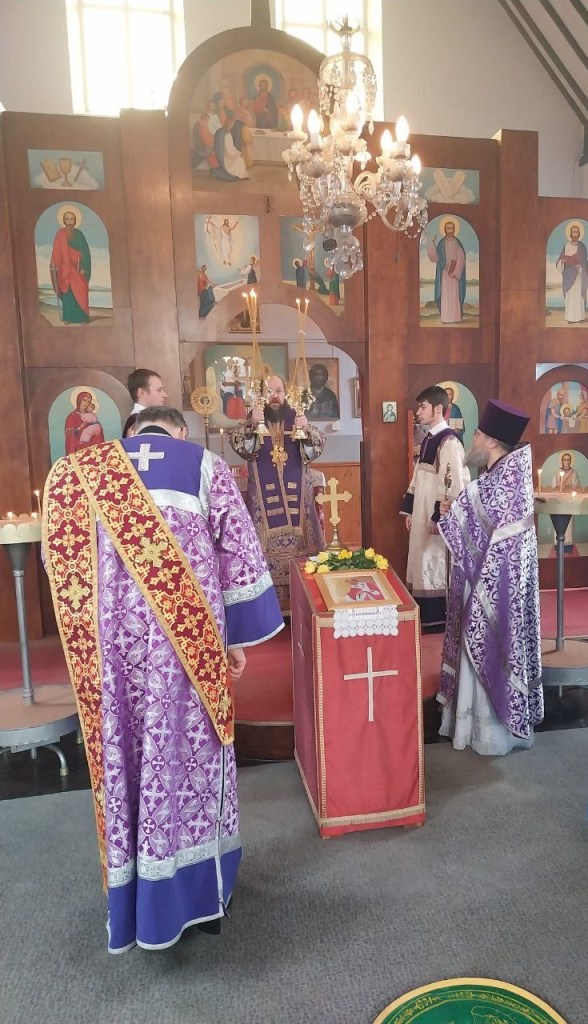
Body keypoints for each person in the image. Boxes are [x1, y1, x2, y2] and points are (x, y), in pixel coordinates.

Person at [42, 405, 284, 952]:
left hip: (117, 660)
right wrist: (234, 641)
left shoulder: (88, 472)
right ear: (178, 430)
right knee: (189, 764)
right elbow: (239, 558)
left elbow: (59, 560)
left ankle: (133, 900)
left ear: (130, 434)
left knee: (128, 764)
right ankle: (196, 899)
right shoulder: (203, 466)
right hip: (187, 660)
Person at [437, 400, 542, 755]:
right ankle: (473, 725)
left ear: (493, 441)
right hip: (485, 579)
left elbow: (479, 521)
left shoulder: (506, 479)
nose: (474, 439)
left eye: (479, 434)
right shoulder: (503, 475)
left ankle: (490, 733)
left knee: (489, 646)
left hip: (494, 587)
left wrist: (454, 511)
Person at [229, 375, 326, 611]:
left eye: (279, 391)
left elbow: (315, 450)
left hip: (298, 504)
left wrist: (307, 428)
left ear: (286, 394)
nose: (274, 396)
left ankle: (306, 603)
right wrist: (251, 424)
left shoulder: (297, 418)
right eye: (269, 391)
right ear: (261, 395)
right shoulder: (254, 419)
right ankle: (270, 608)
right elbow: (242, 448)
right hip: (263, 501)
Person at [400, 385, 469, 631]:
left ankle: (438, 619)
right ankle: (425, 617)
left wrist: (439, 518)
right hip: (421, 512)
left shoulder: (448, 441)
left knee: (434, 563)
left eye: (423, 406)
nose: (418, 411)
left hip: (433, 517)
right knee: (421, 561)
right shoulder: (429, 438)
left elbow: (452, 484)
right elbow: (418, 476)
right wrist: (409, 510)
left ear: (438, 409)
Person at [50, 207, 91, 325]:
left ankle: (82, 318)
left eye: (72, 219)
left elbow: (85, 252)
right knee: (68, 293)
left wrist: (84, 267)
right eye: (67, 219)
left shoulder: (79, 234)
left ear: (75, 221)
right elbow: (56, 251)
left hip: (78, 269)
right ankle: (67, 317)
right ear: (64, 220)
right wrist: (54, 262)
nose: (69, 221)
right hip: (65, 269)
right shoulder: (60, 234)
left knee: (81, 291)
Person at [427, 219, 466, 323]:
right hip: (444, 274)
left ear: (454, 229)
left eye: (451, 228)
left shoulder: (458, 243)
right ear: (445, 229)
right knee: (445, 297)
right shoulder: (441, 243)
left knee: (454, 296)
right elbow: (435, 257)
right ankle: (445, 318)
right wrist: (432, 243)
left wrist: (456, 271)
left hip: (454, 275)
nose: (450, 230)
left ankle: (456, 318)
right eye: (448, 228)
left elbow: (461, 258)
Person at [556, 222, 588, 323]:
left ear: (579, 233)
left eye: (576, 232)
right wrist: (563, 261)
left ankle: (580, 317)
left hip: (579, 274)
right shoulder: (566, 246)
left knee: (579, 295)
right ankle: (570, 318)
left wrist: (580, 266)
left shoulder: (582, 246)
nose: (575, 234)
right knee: (571, 296)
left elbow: (585, 261)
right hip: (569, 274)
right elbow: (559, 261)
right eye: (573, 232)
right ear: (570, 234)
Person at [124, 368, 167, 437]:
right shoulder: (137, 421)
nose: (165, 395)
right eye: (159, 390)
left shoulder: (149, 419)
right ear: (141, 392)